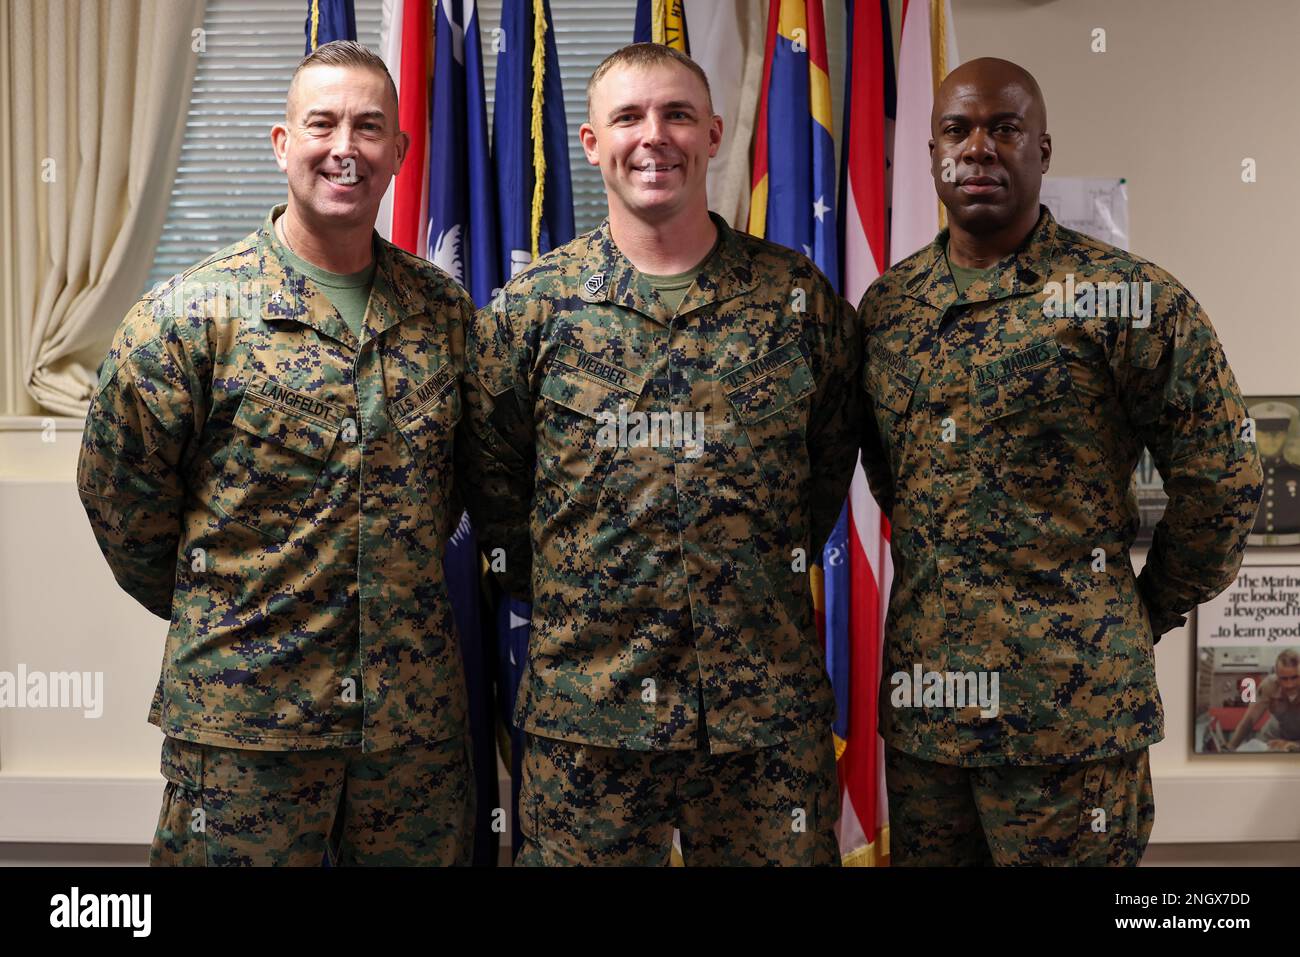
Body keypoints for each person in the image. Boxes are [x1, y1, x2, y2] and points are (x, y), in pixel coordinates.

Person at [457, 43, 860, 865]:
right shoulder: (533, 309)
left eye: (677, 114)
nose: (655, 136)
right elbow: (498, 497)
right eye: (630, 117)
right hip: (589, 720)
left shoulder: (797, 299)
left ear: (713, 133)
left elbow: (823, 477)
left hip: (763, 719)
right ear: (590, 142)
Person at [76, 41, 475, 866]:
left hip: (409, 732)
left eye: (369, 127)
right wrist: (234, 612)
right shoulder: (190, 316)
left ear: (400, 152)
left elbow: (463, 483)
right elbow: (122, 499)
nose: (345, 147)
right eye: (321, 123)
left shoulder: (445, 316)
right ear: (281, 143)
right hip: (245, 725)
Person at [858, 57, 1263, 865]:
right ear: (932, 152)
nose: (978, 148)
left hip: (1070, 724)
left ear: (1042, 149)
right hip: (930, 722)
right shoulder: (889, 309)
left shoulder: (1131, 299)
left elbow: (1224, 486)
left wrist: (1136, 612)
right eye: (956, 129)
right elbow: (887, 473)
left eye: (1004, 128)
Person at [1226, 649, 1300, 752]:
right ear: (1277, 676)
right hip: (1273, 736)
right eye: (1284, 679)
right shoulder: (1269, 685)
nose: (1289, 684)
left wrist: (1293, 746)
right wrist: (1230, 749)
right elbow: (1248, 722)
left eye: (1295, 677)